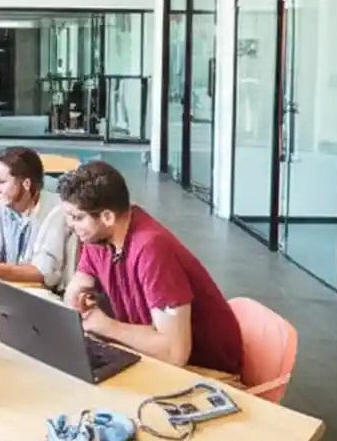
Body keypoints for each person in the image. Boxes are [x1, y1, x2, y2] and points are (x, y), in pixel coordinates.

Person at [59, 161, 243, 377]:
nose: (70, 225)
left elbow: (175, 353)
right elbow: (76, 291)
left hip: (204, 372)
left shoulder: (152, 249)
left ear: (108, 217)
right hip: (152, 358)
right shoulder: (98, 238)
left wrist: (104, 325)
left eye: (77, 218)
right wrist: (79, 299)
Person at [0, 147, 70, 291]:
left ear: (26, 184)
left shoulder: (56, 212)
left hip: (44, 296)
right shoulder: (1, 207)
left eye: (1, 182)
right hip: (12, 290)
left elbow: (41, 273)